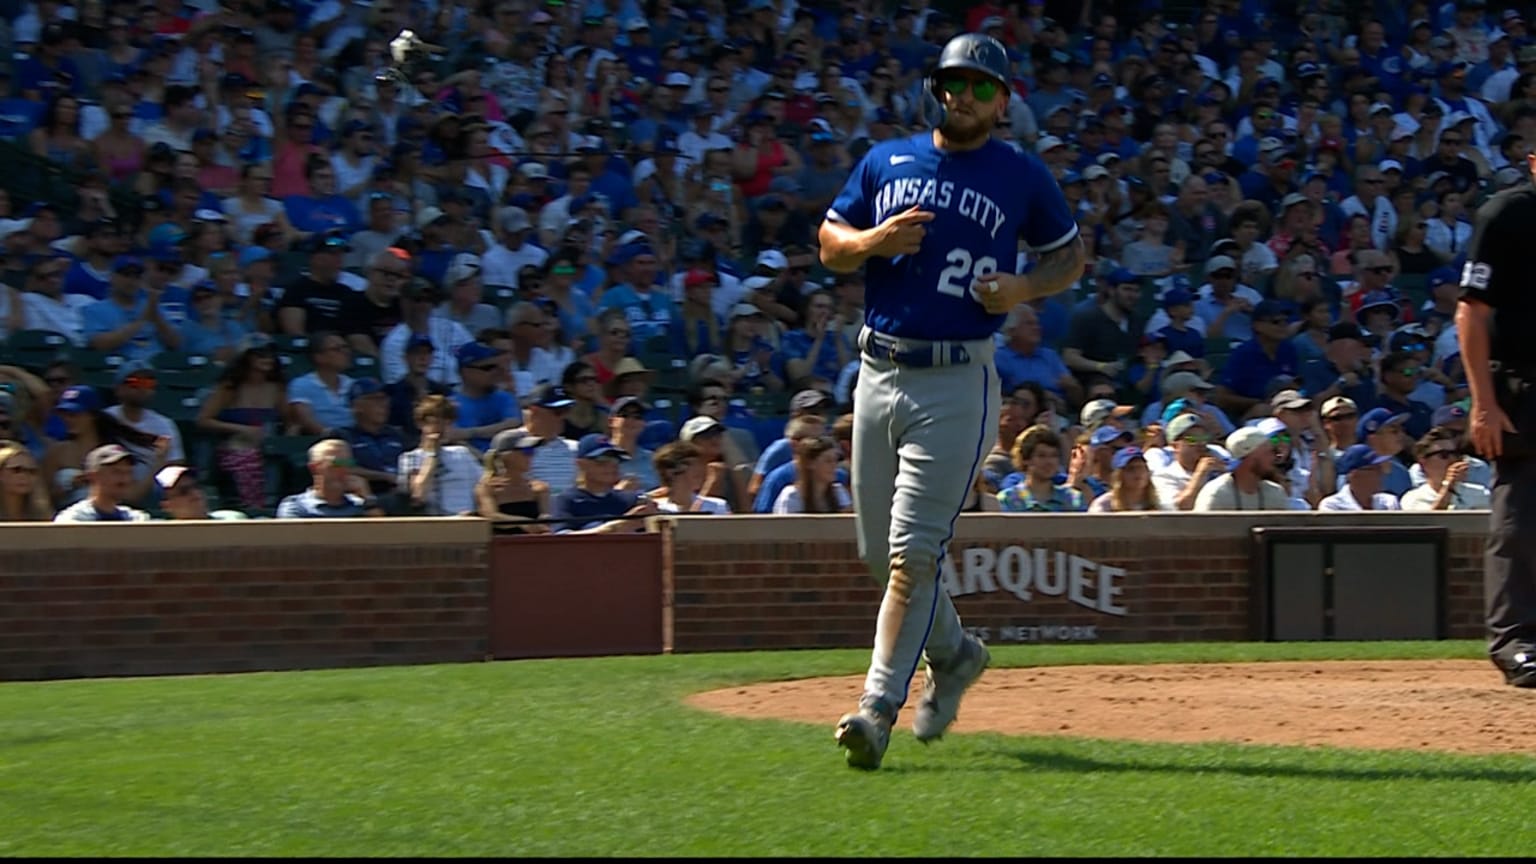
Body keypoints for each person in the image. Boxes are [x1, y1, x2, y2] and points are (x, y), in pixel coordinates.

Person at [817, 33, 1086, 770]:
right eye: (952, 83)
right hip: (876, 371)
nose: (962, 96)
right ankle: (958, 653)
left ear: (1002, 100)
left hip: (957, 376)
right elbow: (828, 242)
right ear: (936, 90)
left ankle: (876, 708)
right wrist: (873, 241)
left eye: (978, 86)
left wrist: (1025, 289)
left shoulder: (1020, 174)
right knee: (881, 555)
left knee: (912, 554)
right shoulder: (886, 159)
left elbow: (1070, 255)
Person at [1457, 155, 1536, 686]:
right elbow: (1472, 311)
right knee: (1521, 518)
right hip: (1525, 385)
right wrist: (1483, 401)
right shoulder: (1507, 214)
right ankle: (1519, 641)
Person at [476, 428, 551, 533]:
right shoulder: (488, 488)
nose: (531, 456)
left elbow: (545, 514)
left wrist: (544, 520)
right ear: (507, 456)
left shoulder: (539, 488)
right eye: (527, 451)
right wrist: (523, 523)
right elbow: (491, 516)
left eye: (532, 451)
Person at [53, 444, 152, 522]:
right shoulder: (75, 519)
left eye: (128, 473)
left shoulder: (136, 519)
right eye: (116, 472)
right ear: (93, 476)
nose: (124, 479)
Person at [772, 436, 853, 513]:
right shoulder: (792, 496)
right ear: (810, 463)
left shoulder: (839, 492)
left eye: (835, 460)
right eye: (828, 461)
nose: (834, 466)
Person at [1088, 447, 1165, 512]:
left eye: (1141, 467)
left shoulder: (1158, 504)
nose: (1138, 473)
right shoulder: (1104, 505)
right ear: (1119, 475)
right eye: (1131, 469)